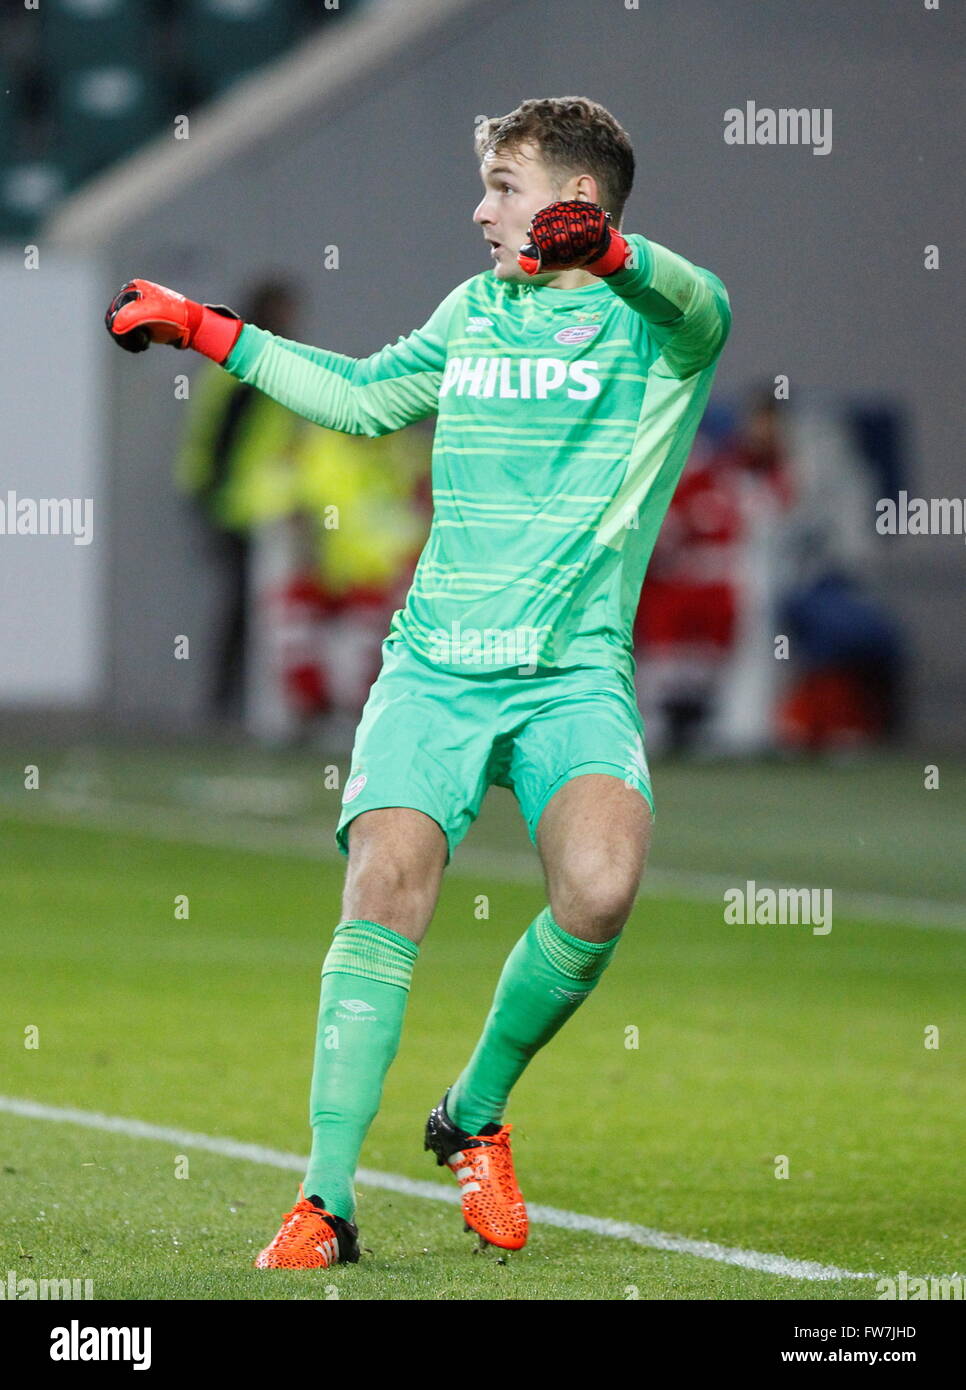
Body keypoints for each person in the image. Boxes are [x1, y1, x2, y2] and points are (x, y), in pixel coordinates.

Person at [104, 95, 731, 1268]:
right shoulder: (475, 310)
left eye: (503, 185)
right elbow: (359, 395)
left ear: (575, 206)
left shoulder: (656, 328)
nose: (479, 208)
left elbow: (703, 303)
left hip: (572, 674)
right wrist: (202, 328)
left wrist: (616, 256)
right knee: (385, 884)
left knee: (599, 891)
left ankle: (474, 1112)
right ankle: (325, 1202)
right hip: (436, 668)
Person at [175, 280, 303, 719]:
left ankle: (234, 705)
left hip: (238, 503)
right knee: (248, 611)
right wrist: (217, 502)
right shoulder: (251, 365)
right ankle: (234, 706)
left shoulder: (234, 360)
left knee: (245, 610)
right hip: (241, 507)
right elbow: (227, 442)